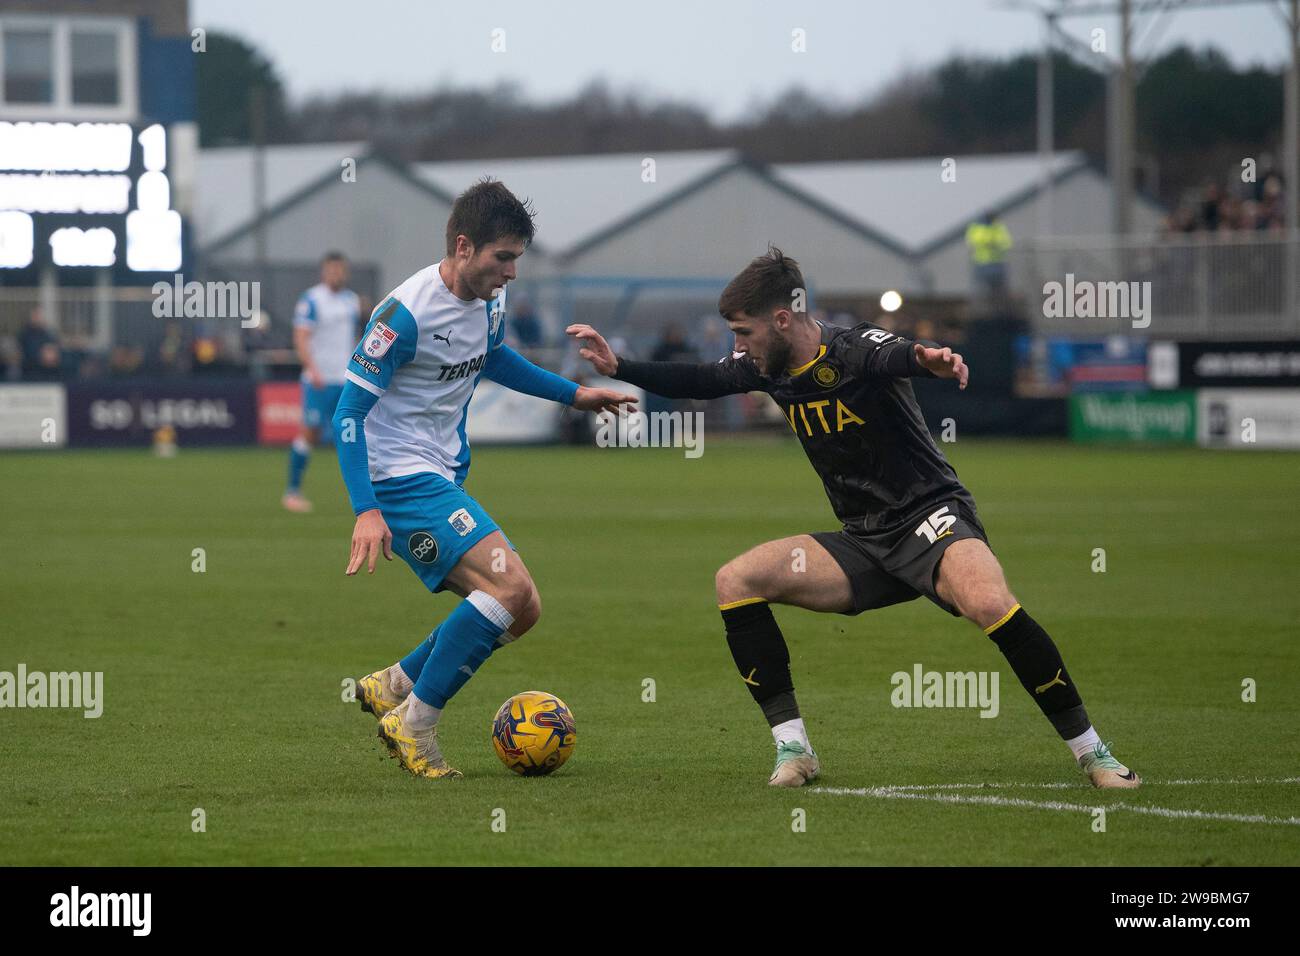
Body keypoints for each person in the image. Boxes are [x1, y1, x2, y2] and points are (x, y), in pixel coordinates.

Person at [567, 246, 1139, 790]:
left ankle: (1094, 754)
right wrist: (619, 366)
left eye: (744, 332)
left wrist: (929, 358)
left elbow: (897, 353)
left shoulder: (852, 348)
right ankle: (795, 749)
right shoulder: (765, 366)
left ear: (783, 319)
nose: (736, 345)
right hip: (864, 542)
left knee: (989, 604)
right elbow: (700, 379)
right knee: (735, 581)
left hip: (930, 518)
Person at [333, 180, 635, 779]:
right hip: (398, 478)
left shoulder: (487, 300)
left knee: (524, 609)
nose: (512, 273)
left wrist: (573, 395)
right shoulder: (403, 315)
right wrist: (366, 509)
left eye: (518, 258)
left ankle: (396, 684)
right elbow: (347, 415)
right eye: (504, 258)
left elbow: (495, 358)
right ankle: (414, 724)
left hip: (441, 473)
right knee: (508, 587)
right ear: (465, 247)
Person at [283, 252, 361, 513]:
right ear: (323, 272)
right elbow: (301, 336)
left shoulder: (351, 301)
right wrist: (312, 369)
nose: (335, 274)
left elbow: (354, 338)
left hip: (346, 379)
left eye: (340, 270)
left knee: (359, 434)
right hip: (319, 379)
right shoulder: (312, 299)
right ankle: (293, 491)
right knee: (311, 432)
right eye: (331, 270)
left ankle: (370, 496)